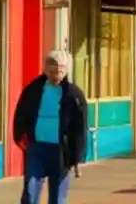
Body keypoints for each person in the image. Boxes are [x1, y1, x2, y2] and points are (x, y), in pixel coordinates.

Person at [12, 50, 87, 204]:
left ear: (66, 71)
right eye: (53, 71)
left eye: (60, 72)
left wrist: (77, 158)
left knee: (57, 198)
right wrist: (20, 136)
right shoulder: (33, 89)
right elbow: (21, 113)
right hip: (37, 149)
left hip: (61, 152)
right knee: (30, 194)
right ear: (46, 69)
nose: (56, 76)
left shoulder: (74, 95)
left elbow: (80, 128)